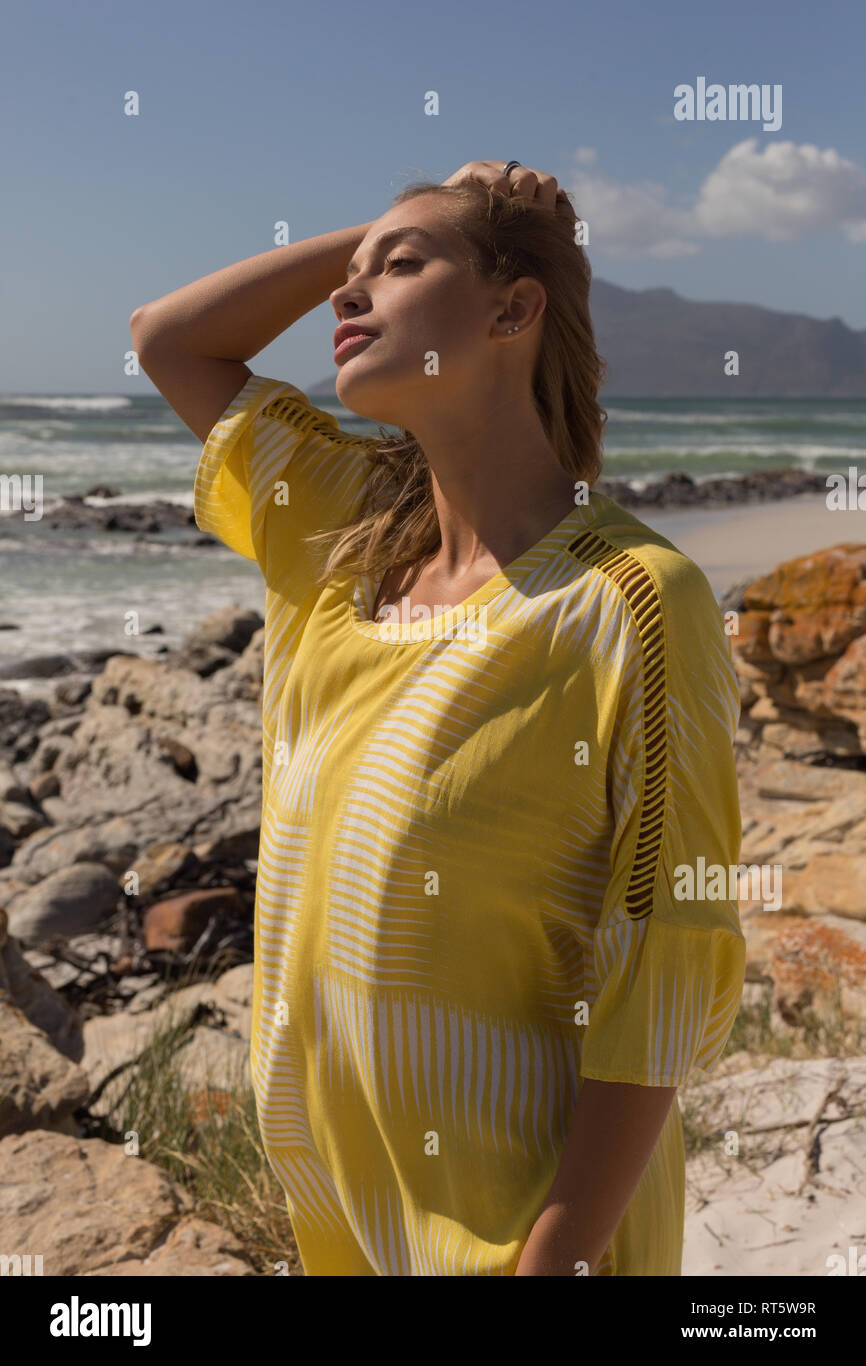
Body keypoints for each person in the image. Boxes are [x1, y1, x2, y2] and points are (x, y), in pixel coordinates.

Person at [129, 159, 746, 1276]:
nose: (344, 297)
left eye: (398, 269)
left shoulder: (631, 601)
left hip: (522, 1240)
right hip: (346, 1231)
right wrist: (399, 232)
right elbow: (169, 336)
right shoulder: (338, 535)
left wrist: (547, 1261)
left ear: (514, 309)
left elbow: (664, 959)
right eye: (349, 275)